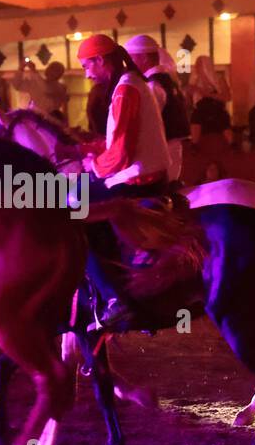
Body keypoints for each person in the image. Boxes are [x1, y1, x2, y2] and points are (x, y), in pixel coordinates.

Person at [75, 34, 170, 332]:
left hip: (139, 179)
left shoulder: (125, 89)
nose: (86, 73)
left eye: (86, 65)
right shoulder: (130, 83)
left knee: (71, 212)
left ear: (100, 61)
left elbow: (120, 155)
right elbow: (122, 140)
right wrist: (84, 150)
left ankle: (115, 299)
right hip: (147, 171)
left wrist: (92, 165)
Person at [124, 35, 190, 183]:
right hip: (171, 149)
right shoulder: (167, 82)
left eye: (131, 59)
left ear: (144, 58)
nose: (128, 66)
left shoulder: (153, 85)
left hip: (162, 152)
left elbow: (149, 122)